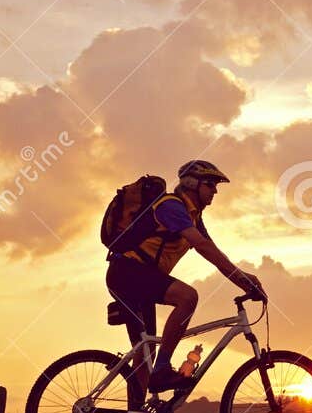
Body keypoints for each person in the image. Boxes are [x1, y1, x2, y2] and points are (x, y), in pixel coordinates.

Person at [105, 159, 265, 394]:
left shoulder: (193, 217)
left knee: (144, 352)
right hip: (127, 272)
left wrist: (244, 279)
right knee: (187, 297)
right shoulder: (171, 206)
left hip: (142, 277)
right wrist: (242, 279)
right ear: (193, 184)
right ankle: (162, 369)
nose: (215, 191)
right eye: (210, 184)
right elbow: (202, 247)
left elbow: (214, 253)